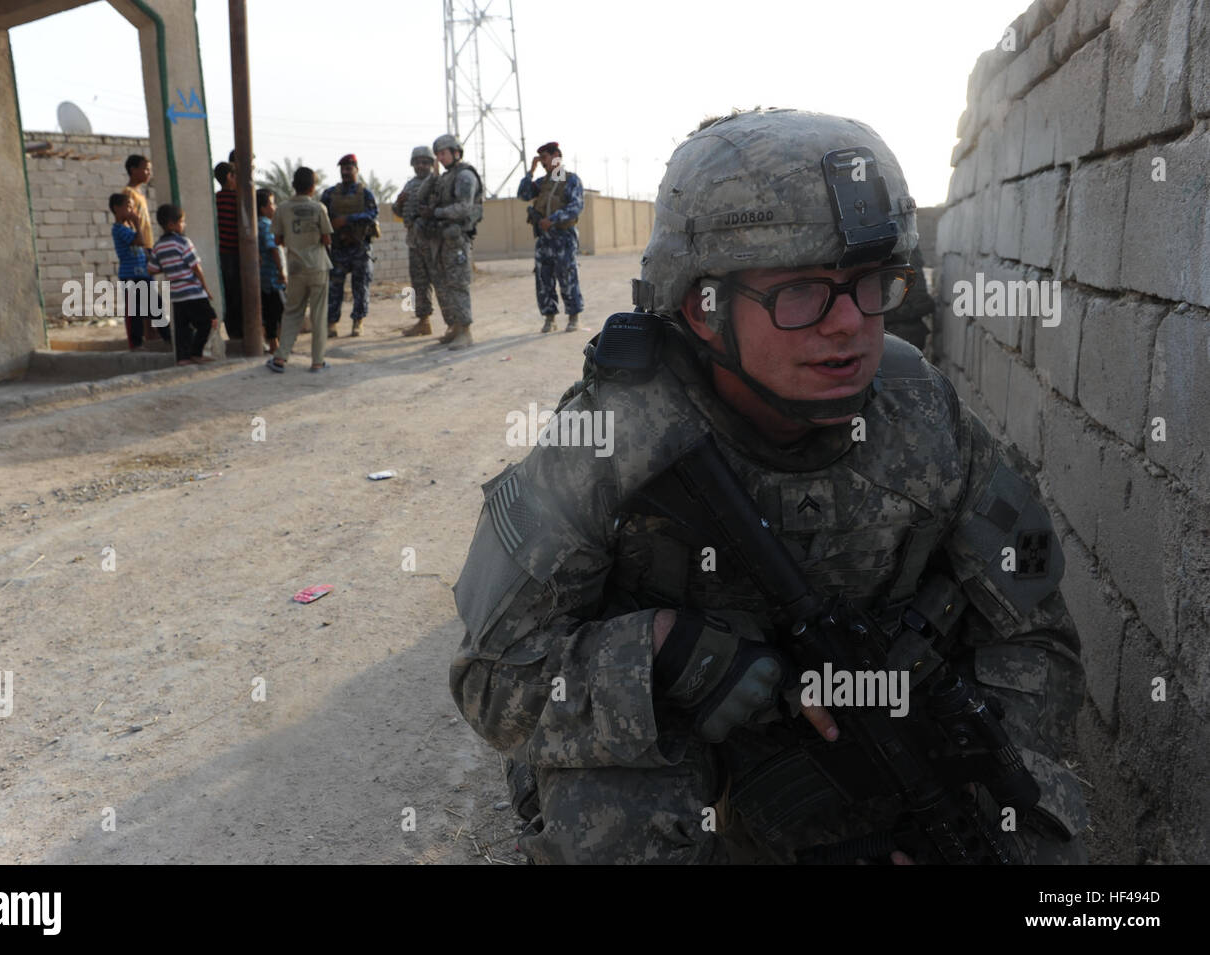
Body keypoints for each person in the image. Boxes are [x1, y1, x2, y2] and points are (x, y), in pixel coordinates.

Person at [449, 109, 1088, 865]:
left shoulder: (924, 413)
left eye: (871, 284)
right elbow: (493, 681)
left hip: (877, 730)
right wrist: (661, 653)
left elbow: (1033, 633)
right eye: (803, 292)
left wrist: (980, 773)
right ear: (703, 307)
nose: (850, 325)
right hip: (686, 738)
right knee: (610, 823)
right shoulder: (609, 441)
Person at [413, 134, 483, 349]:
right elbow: (420, 197)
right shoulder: (445, 177)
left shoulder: (464, 176)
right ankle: (454, 327)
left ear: (456, 152)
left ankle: (465, 331)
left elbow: (464, 207)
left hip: (456, 240)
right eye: (438, 155)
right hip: (442, 240)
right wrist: (434, 175)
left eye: (443, 154)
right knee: (444, 285)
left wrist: (437, 212)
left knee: (458, 284)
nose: (440, 158)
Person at [267, 167, 333, 373]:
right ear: (313, 187)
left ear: (294, 185)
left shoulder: (283, 209)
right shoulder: (319, 208)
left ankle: (280, 357)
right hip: (318, 266)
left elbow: (277, 239)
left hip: (295, 267)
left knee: (293, 312)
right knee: (319, 315)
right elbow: (327, 238)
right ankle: (317, 361)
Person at [518, 141, 585, 333]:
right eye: (540, 161)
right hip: (544, 239)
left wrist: (553, 219)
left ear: (556, 156)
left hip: (564, 237)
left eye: (545, 158)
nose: (543, 163)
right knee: (543, 278)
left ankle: (574, 317)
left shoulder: (571, 180)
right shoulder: (542, 183)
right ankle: (549, 318)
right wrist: (530, 171)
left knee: (567, 275)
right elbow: (523, 194)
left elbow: (576, 206)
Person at [148, 204, 216, 366]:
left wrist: (168, 266)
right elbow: (195, 267)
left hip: (177, 293)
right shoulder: (183, 242)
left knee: (182, 327)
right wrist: (205, 288)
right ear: (172, 224)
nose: (184, 225)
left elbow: (152, 269)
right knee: (209, 321)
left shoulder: (158, 246)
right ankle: (196, 352)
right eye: (182, 222)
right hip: (193, 290)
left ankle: (183, 358)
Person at [320, 154, 378, 338]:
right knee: (334, 287)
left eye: (349, 168)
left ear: (356, 169)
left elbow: (372, 215)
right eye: (343, 169)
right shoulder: (330, 194)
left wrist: (347, 219)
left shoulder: (365, 193)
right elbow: (321, 216)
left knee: (360, 287)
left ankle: (357, 322)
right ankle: (332, 323)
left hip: (360, 247)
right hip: (338, 248)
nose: (345, 172)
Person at [109, 192, 169, 351]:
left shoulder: (128, 229)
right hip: (130, 276)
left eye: (132, 207)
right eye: (127, 206)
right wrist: (137, 222)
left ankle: (168, 337)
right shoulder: (119, 229)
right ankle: (136, 344)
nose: (131, 210)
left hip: (142, 274)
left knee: (156, 306)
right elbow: (140, 241)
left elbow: (142, 247)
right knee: (134, 312)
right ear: (116, 209)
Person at [392, 145, 438, 337]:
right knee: (418, 282)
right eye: (417, 162)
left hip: (433, 240)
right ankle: (423, 321)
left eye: (425, 162)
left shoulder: (437, 183)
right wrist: (400, 203)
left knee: (440, 282)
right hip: (414, 240)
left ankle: (454, 323)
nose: (421, 165)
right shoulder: (409, 185)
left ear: (431, 164)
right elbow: (397, 212)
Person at [214, 161, 243, 342]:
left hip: (223, 254)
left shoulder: (215, 199)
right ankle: (240, 332)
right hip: (236, 254)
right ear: (230, 177)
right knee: (238, 294)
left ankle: (234, 333)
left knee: (229, 294)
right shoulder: (238, 199)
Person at [257, 188, 286, 354]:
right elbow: (273, 249)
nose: (274, 207)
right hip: (273, 278)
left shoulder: (259, 225)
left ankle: (274, 343)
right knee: (279, 311)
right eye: (272, 204)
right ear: (263, 208)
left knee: (270, 312)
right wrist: (281, 271)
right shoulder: (267, 225)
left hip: (265, 278)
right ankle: (277, 344)